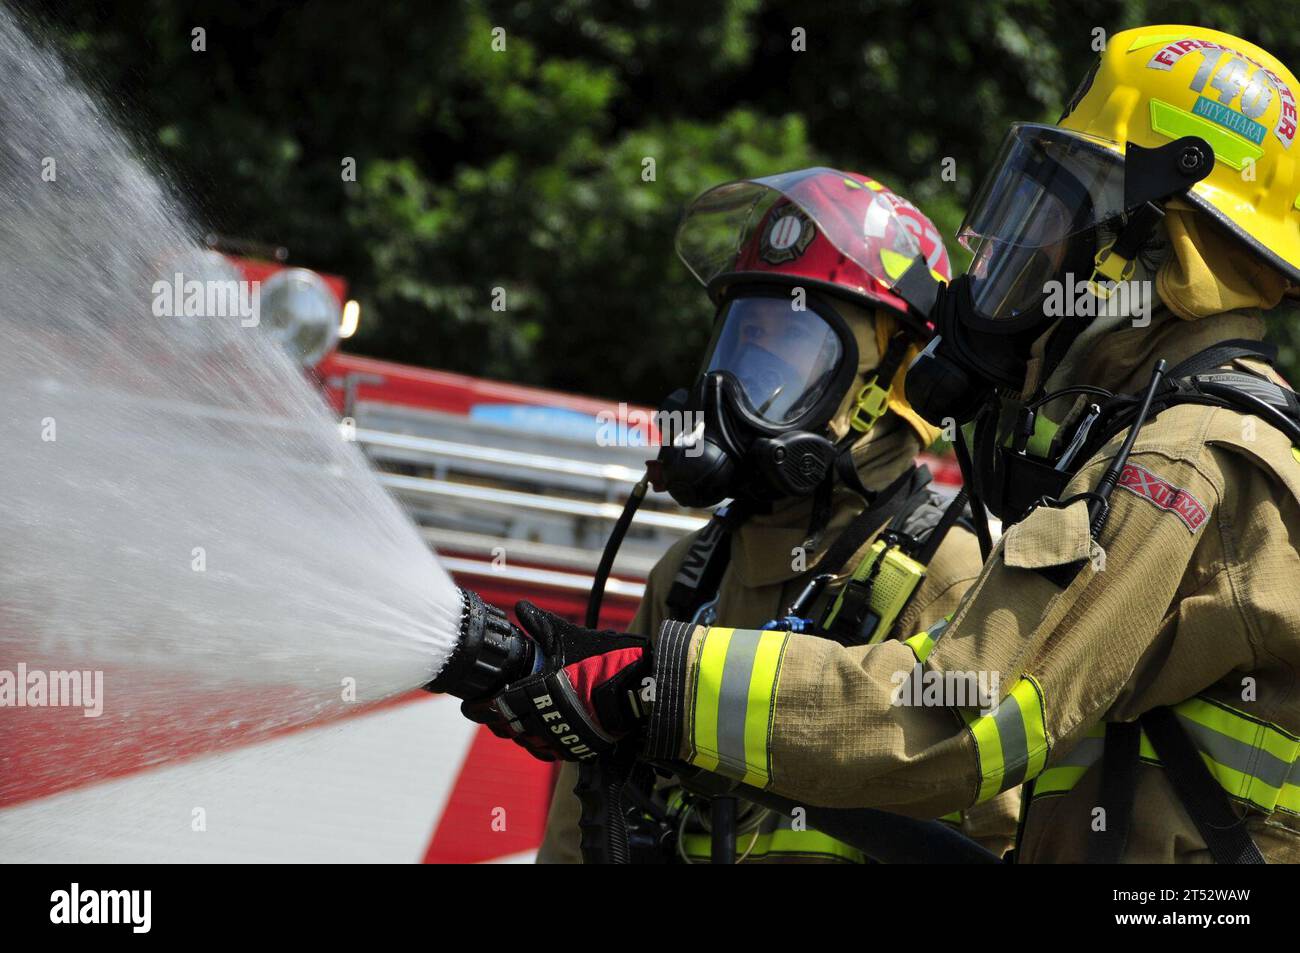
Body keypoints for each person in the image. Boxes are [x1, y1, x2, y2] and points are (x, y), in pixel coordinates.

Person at [450, 24, 1300, 863]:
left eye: (1066, 220)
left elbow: (963, 714)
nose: (1034, 263)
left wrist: (660, 684)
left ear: (1153, 247)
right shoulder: (1181, 438)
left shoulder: (1184, 457)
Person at [534, 168, 1014, 862]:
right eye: (742, 344)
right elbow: (576, 837)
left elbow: (990, 843)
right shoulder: (691, 576)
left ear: (892, 382)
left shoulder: (946, 576)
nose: (735, 391)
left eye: (788, 348)